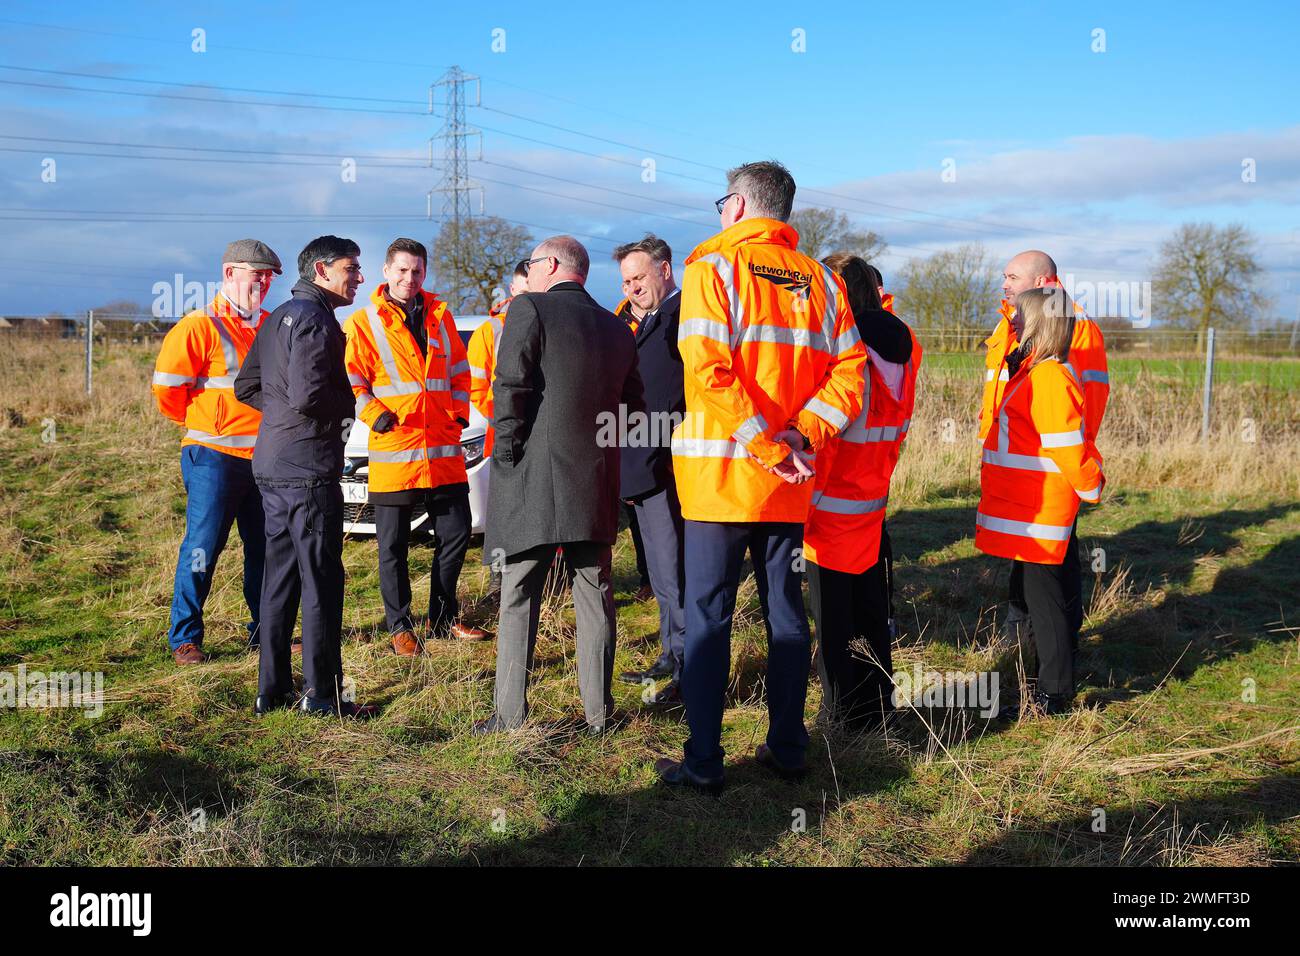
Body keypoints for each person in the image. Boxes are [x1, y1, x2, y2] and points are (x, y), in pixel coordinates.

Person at [655, 161, 867, 793]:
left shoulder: (712, 268)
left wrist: (767, 445)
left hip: (723, 480)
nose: (720, 211)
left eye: (723, 201)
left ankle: (704, 762)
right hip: (790, 482)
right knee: (785, 615)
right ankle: (789, 748)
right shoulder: (824, 282)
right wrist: (800, 435)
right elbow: (850, 375)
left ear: (741, 205)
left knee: (709, 617)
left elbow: (707, 366)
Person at [474, 236, 645, 735]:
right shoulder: (618, 328)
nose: (530, 273)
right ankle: (600, 717)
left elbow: (511, 386)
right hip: (594, 482)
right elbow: (633, 412)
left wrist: (505, 454)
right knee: (594, 595)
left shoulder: (529, 308)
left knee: (518, 594)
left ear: (549, 265)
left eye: (531, 264)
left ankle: (509, 717)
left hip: (531, 478)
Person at [234, 235, 376, 718]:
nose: (359, 277)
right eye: (351, 268)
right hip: (307, 471)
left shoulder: (277, 317)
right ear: (321, 269)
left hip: (273, 466)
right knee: (320, 582)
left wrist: (280, 419)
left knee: (280, 580)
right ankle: (322, 697)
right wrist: (349, 408)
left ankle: (270, 691)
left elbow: (247, 387)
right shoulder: (316, 319)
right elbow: (310, 395)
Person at [343, 238, 486, 656]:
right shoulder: (364, 321)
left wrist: (459, 415)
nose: (410, 278)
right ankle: (400, 626)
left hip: (442, 450)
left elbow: (461, 373)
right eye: (402, 270)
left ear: (425, 273)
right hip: (395, 450)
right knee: (392, 547)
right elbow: (353, 379)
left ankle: (443, 617)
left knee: (456, 535)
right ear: (386, 271)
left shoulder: (440, 317)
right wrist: (375, 415)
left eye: (417, 271)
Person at [804, 254, 921, 731]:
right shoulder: (902, 342)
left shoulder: (843, 348)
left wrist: (803, 500)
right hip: (873, 496)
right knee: (871, 609)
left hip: (829, 505)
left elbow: (830, 436)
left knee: (832, 619)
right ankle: (877, 705)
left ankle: (840, 713)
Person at [976, 287, 1104, 716]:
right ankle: (1051, 681)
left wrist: (1091, 486)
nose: (1010, 324)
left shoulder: (1049, 377)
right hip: (1030, 509)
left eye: (1018, 318)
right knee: (1043, 598)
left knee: (1046, 604)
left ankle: (1053, 694)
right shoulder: (1037, 371)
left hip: (1042, 510)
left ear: (1038, 323)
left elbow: (1068, 448)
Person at [153, 239, 281, 666]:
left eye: (268, 276)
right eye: (255, 273)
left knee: (265, 549)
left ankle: (266, 633)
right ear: (229, 274)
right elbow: (168, 392)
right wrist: (207, 426)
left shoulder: (269, 325)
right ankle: (184, 638)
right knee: (202, 546)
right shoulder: (197, 326)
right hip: (213, 455)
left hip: (263, 459)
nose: (263, 282)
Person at [612, 235, 688, 706]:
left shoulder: (683, 318)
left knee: (675, 568)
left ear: (664, 269)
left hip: (671, 464)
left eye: (639, 277)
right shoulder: (649, 318)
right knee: (660, 571)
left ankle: (685, 666)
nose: (632, 288)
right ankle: (668, 653)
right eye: (625, 281)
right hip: (643, 463)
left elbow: (674, 396)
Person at [467, 258, 528, 452]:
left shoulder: (552, 326)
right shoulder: (490, 331)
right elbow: (475, 388)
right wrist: (503, 421)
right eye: (524, 294)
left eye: (535, 294)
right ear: (512, 289)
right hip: (503, 438)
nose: (529, 300)